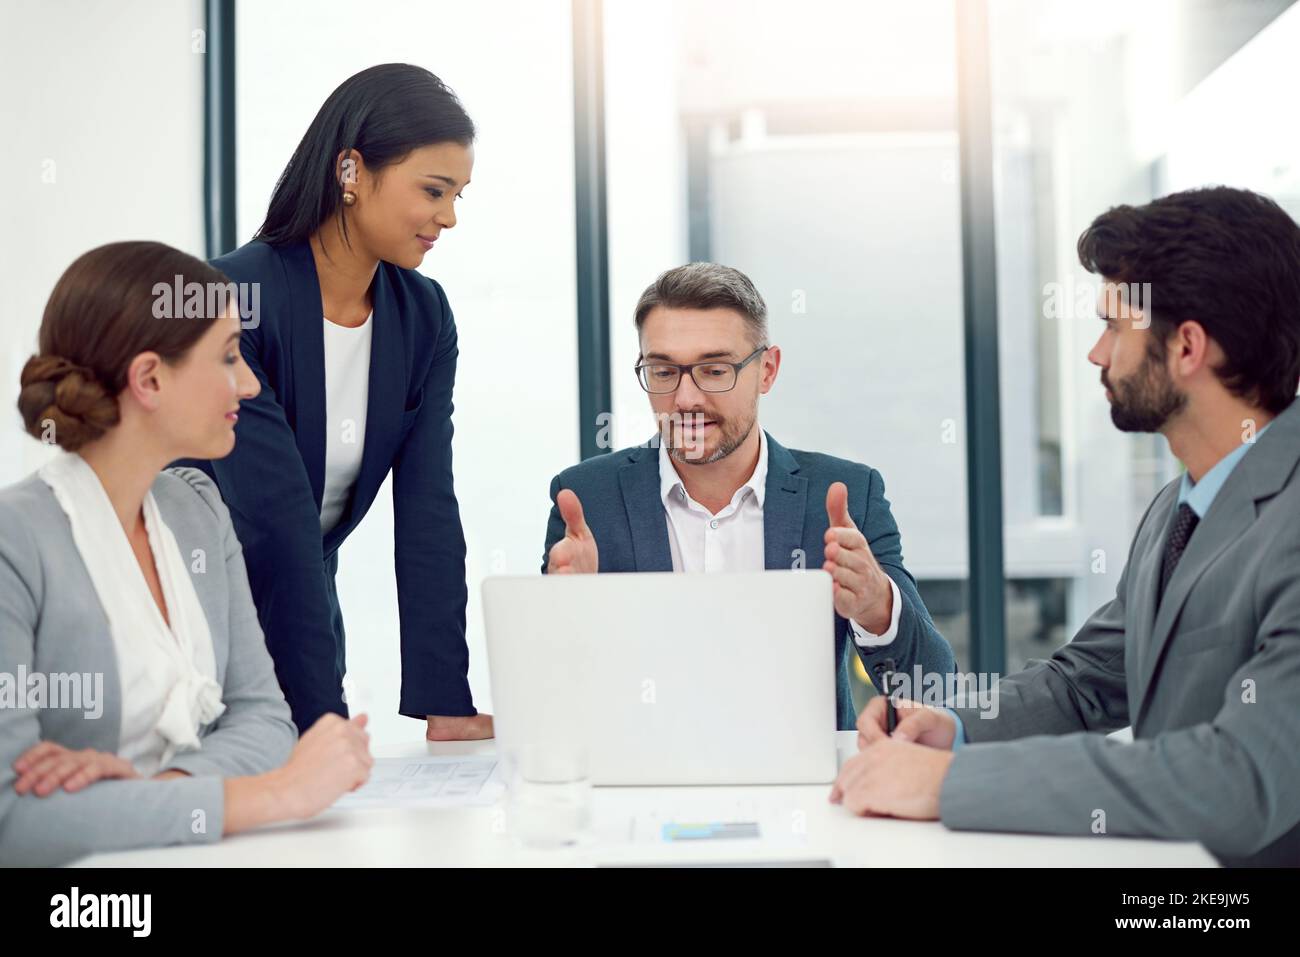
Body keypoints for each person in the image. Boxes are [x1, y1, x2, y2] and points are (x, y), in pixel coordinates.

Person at [832, 186, 1300, 867]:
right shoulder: (1179, 506)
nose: (1096, 353)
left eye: (1115, 326)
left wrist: (953, 784)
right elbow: (1084, 681)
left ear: (1188, 347)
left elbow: (1240, 776)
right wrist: (952, 726)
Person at [1, 242, 373, 866]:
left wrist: (158, 792)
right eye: (228, 357)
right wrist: (276, 793)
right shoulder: (16, 543)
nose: (250, 382)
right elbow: (12, 821)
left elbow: (264, 720)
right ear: (149, 379)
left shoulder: (197, 512)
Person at [180, 64, 491, 740]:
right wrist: (322, 717)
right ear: (352, 171)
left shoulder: (423, 316)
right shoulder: (231, 295)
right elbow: (276, 513)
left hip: (306, 606)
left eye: (459, 194)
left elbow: (428, 506)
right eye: (434, 190)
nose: (450, 216)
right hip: (196, 610)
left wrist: (447, 700)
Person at [543, 263, 956, 730]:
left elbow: (937, 694)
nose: (685, 399)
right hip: (644, 786)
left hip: (805, 789)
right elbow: (553, 709)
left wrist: (878, 604)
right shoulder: (586, 500)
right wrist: (569, 620)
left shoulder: (845, 495)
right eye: (663, 371)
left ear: (767, 370)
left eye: (714, 370)